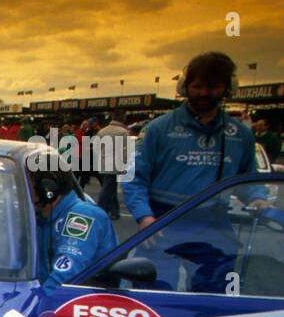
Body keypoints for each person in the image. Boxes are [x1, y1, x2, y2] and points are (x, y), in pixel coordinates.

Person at [123, 51, 268, 290]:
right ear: (185, 86)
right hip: (162, 219)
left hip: (213, 222)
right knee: (152, 296)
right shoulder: (158, 129)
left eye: (212, 87)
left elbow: (247, 179)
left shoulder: (239, 134)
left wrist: (259, 199)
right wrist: (144, 217)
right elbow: (134, 177)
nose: (204, 93)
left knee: (212, 300)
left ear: (227, 89)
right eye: (198, 86)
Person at [28, 164, 116, 292]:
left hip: (86, 301)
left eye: (27, 184)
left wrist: (35, 301)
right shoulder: (39, 217)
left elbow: (65, 275)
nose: (20, 190)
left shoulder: (81, 216)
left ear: (47, 189)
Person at [93, 113, 129, 219]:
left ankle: (114, 211)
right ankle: (100, 210)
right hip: (115, 163)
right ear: (123, 119)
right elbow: (126, 149)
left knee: (111, 187)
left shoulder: (102, 131)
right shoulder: (123, 132)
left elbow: (96, 147)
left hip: (103, 162)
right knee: (108, 188)